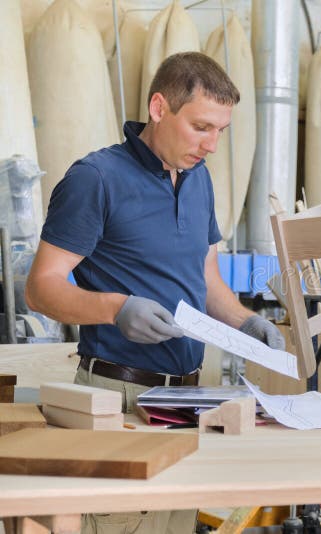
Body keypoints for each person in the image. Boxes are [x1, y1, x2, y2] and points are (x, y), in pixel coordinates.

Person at [25, 52, 284, 534]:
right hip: (117, 397)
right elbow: (40, 289)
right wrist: (116, 308)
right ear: (160, 107)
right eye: (201, 127)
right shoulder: (95, 178)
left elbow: (206, 279)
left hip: (189, 399)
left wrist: (245, 321)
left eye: (221, 131)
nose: (212, 145)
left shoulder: (199, 179)